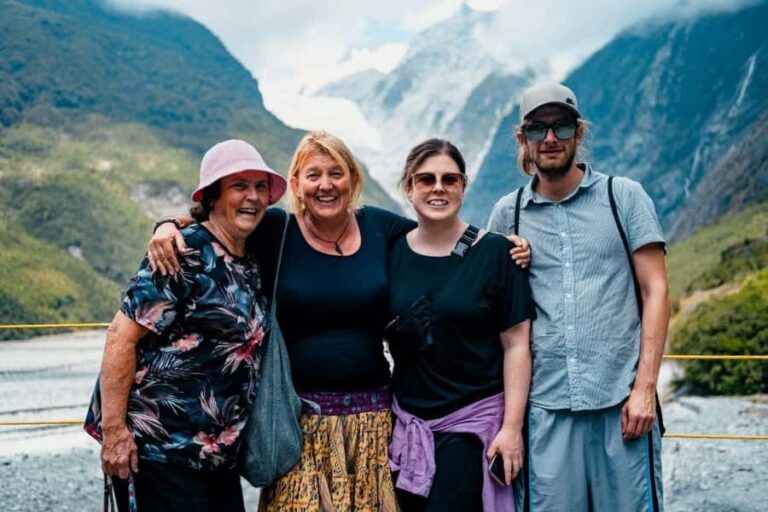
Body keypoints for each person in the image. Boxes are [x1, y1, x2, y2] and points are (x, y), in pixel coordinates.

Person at [148, 131, 532, 512]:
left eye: (337, 173)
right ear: (296, 184)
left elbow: (437, 232)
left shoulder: (380, 228)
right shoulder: (276, 231)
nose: (326, 185)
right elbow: (222, 222)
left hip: (376, 423)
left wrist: (505, 246)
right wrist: (169, 225)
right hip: (301, 426)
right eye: (314, 175)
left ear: (353, 179)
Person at [487, 83, 670, 511]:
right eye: (537, 130)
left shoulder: (623, 197)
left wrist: (645, 388)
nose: (550, 139)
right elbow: (487, 306)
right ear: (522, 140)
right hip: (545, 411)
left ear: (578, 133)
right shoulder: (506, 214)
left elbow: (656, 291)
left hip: (622, 406)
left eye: (561, 126)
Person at [84, 139, 288, 511]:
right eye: (239, 186)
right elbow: (121, 335)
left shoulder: (250, 255)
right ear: (212, 195)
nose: (253, 197)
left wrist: (169, 220)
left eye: (260, 187)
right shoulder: (183, 253)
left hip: (215, 457)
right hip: (159, 451)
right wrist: (114, 433)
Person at [385, 139, 535, 512]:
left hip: (471, 428)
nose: (438, 188)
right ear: (409, 187)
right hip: (406, 427)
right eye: (426, 179)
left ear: (463, 187)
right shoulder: (391, 252)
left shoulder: (498, 254)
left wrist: (512, 428)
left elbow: (517, 345)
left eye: (450, 179)